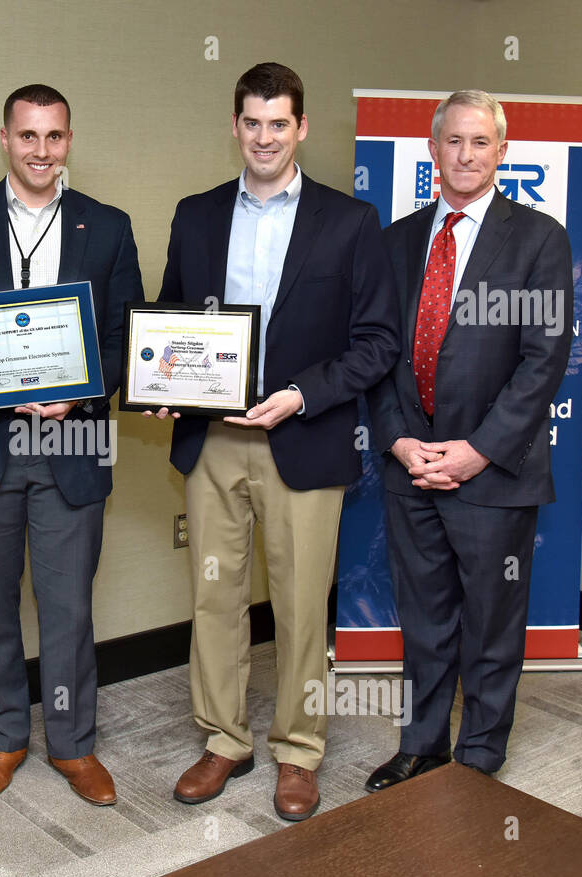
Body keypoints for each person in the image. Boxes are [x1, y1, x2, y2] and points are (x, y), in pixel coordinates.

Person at [151, 62, 398, 820]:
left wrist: (300, 395)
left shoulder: (350, 221)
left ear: (302, 128)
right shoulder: (195, 214)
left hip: (306, 438)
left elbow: (376, 341)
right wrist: (163, 383)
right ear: (236, 126)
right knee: (215, 598)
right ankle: (225, 739)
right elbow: (168, 316)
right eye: (252, 122)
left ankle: (299, 750)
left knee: (299, 607)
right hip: (214, 442)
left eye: (279, 123)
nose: (265, 136)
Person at [0, 84, 143, 806]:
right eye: (28, 136)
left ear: (69, 141)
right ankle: (2, 738)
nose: (41, 151)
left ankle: (74, 745)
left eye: (54, 137)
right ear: (5, 138)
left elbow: (122, 339)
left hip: (70, 442)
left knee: (68, 607)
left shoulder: (106, 227)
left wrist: (81, 392)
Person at [365, 90, 572, 789]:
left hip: (493, 470)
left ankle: (479, 758)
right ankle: (423, 746)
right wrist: (397, 441)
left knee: (489, 624)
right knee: (423, 620)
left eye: (480, 142)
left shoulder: (540, 238)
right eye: (453, 141)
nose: (466, 154)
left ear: (502, 152)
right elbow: (378, 352)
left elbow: (544, 360)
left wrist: (476, 451)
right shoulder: (395, 241)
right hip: (409, 466)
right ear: (433, 150)